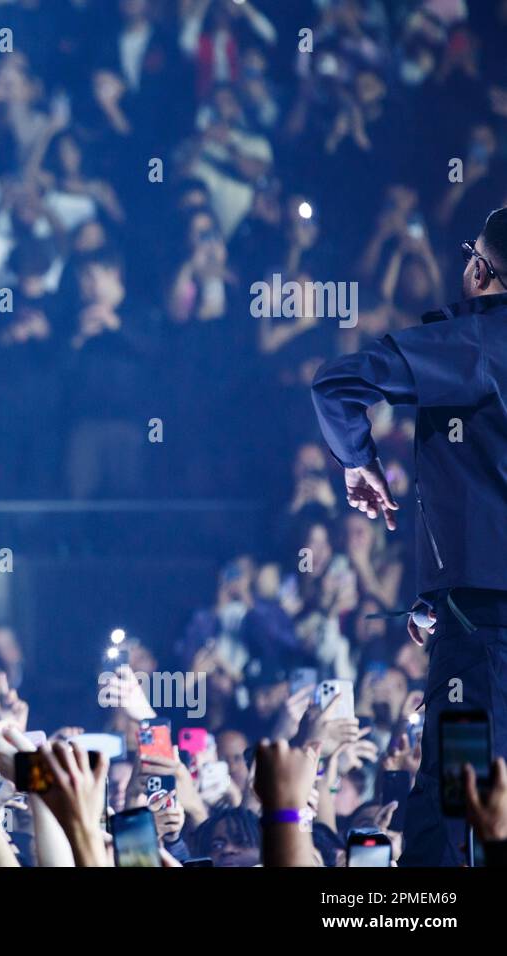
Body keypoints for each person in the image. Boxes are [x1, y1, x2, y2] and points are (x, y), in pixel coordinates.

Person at [310, 206, 507, 866]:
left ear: (482, 271)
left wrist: (358, 462)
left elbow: (335, 384)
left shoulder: (473, 344)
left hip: (485, 622)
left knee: (453, 805)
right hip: (472, 613)